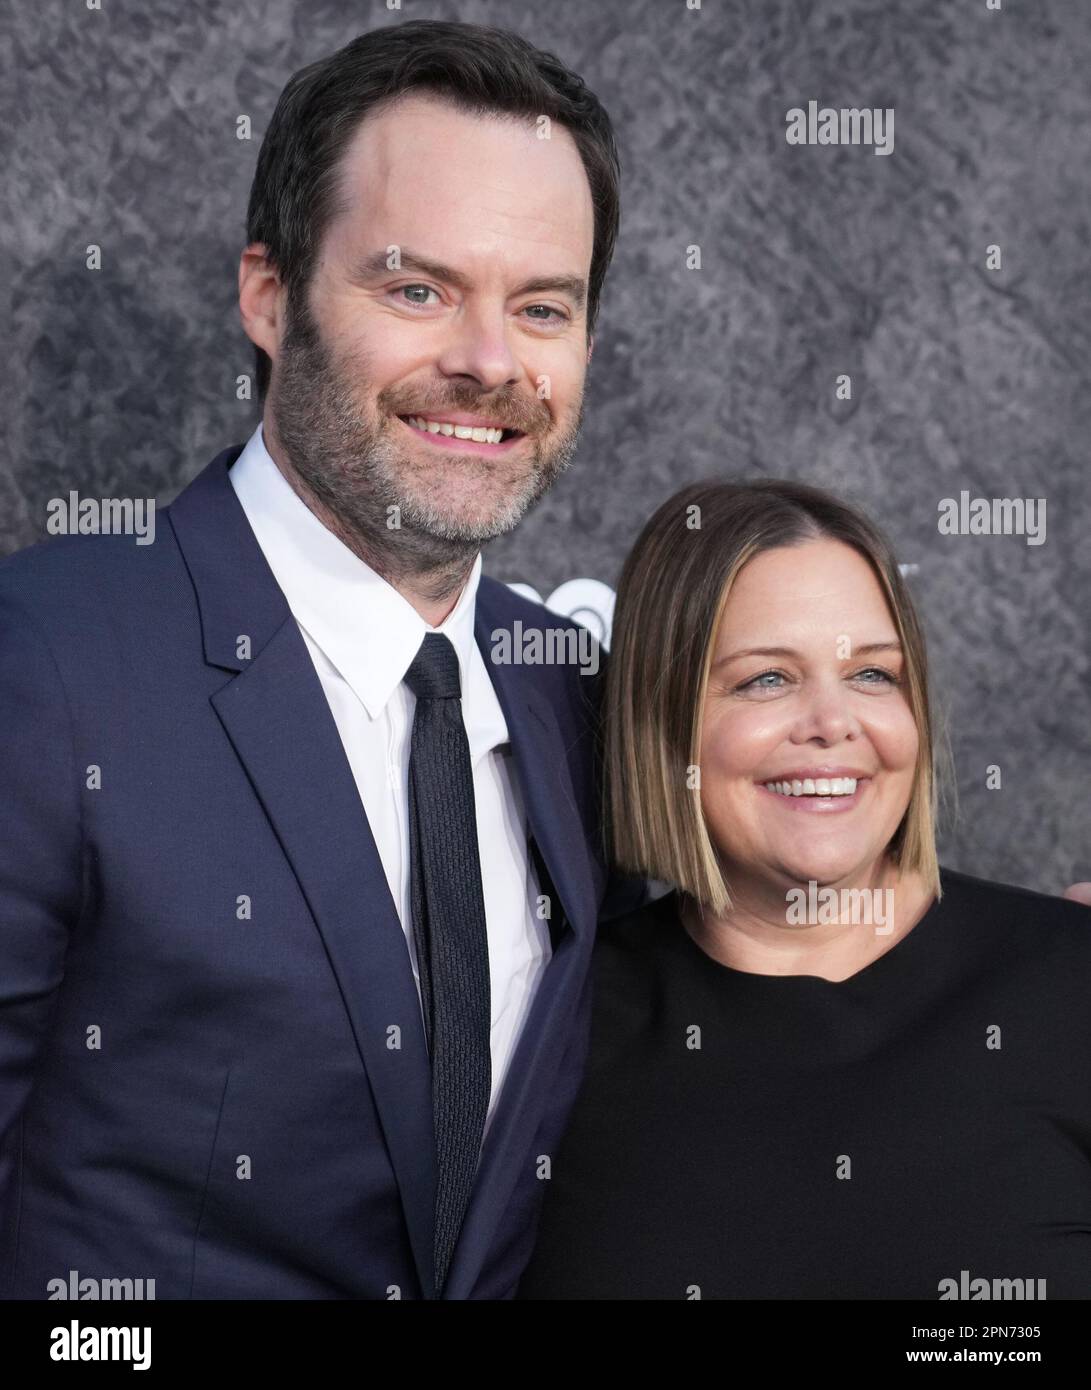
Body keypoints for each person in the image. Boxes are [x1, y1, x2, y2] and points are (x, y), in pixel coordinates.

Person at [0, 20, 643, 1301]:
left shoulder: (574, 692)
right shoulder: (48, 662)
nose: (489, 361)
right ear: (267, 294)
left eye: (541, 306)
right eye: (416, 289)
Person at [517, 479, 1091, 1300]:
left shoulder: (1068, 980)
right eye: (765, 680)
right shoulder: (545, 1031)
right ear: (661, 722)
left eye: (871, 675)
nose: (832, 722)